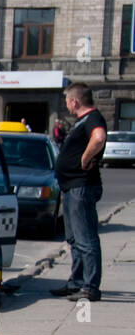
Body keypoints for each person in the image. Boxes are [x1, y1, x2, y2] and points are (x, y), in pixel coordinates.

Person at [51, 82, 107, 301]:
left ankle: (90, 286)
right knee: (74, 239)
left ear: (74, 101)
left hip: (81, 186)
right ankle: (76, 282)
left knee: (86, 238)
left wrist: (85, 157)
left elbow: (99, 137)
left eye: (67, 101)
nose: (66, 105)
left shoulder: (93, 117)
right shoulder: (82, 121)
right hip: (71, 187)